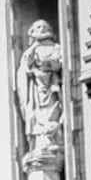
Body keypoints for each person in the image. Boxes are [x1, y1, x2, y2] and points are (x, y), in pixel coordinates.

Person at [16, 19, 64, 160]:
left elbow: (60, 63)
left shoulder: (56, 47)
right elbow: (25, 69)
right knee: (36, 115)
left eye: (44, 26)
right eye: (38, 27)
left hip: (52, 87)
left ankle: (52, 141)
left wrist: (50, 66)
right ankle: (39, 144)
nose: (41, 29)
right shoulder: (31, 50)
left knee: (52, 113)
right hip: (36, 89)